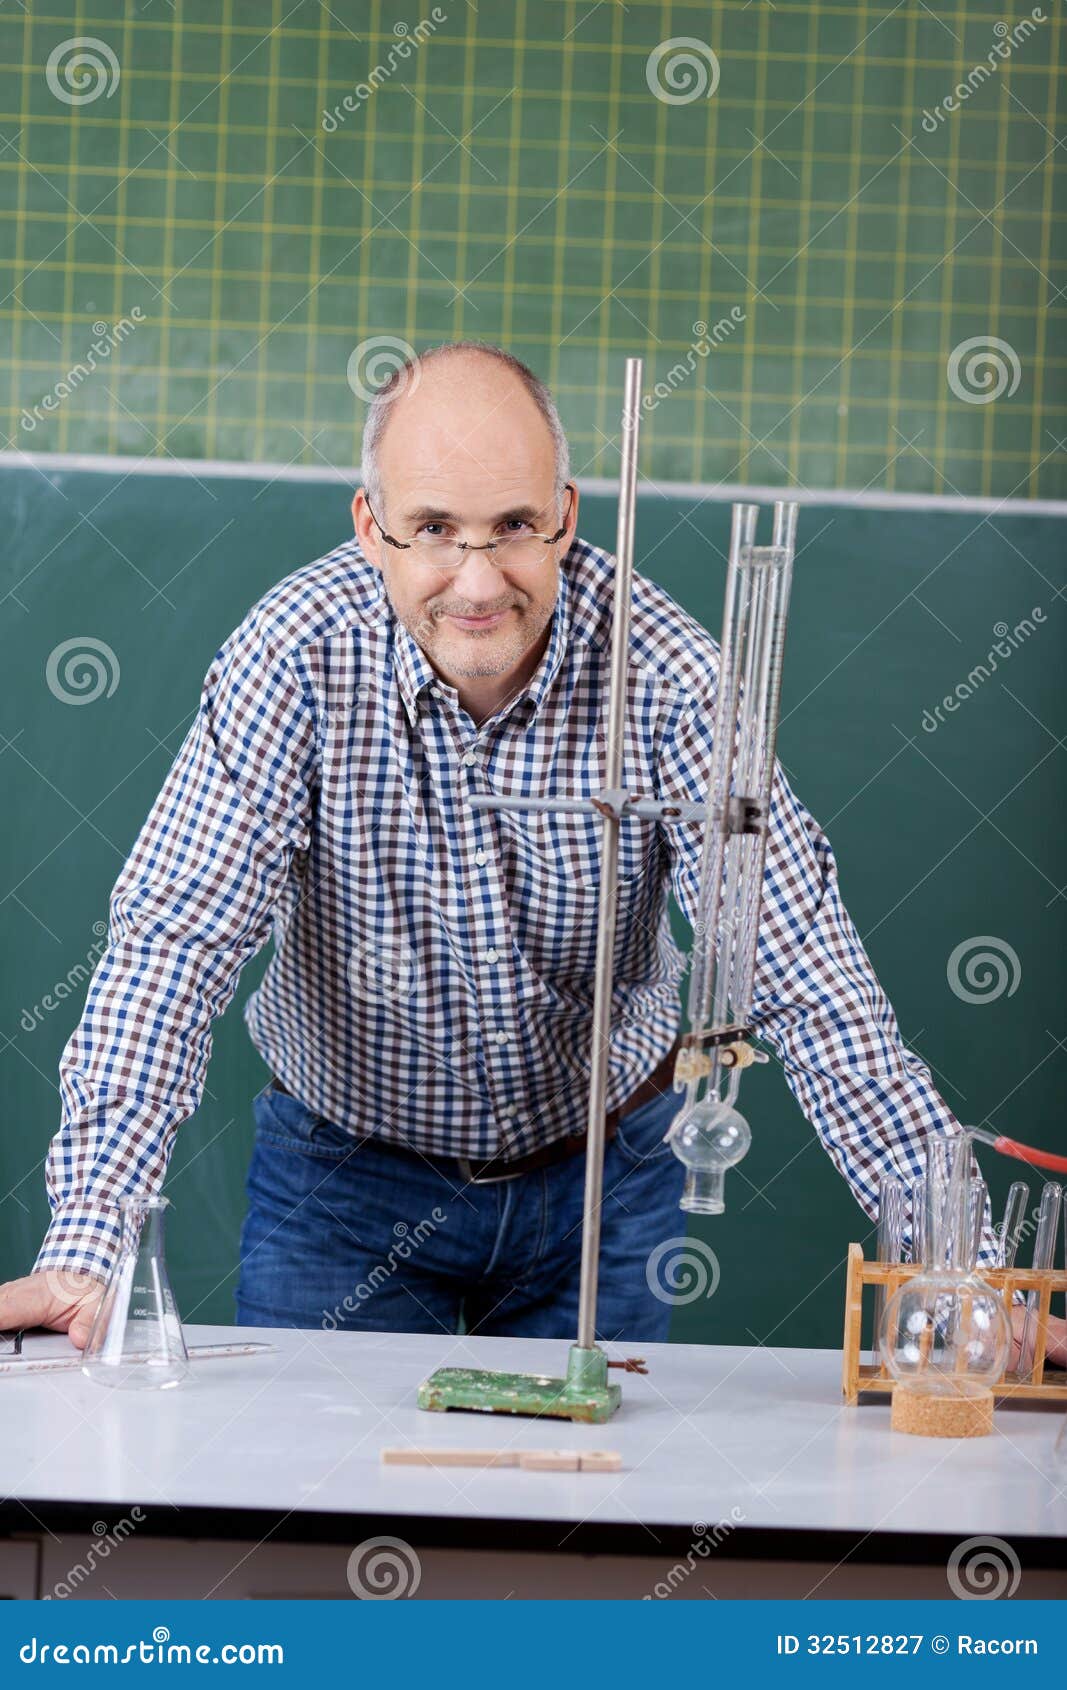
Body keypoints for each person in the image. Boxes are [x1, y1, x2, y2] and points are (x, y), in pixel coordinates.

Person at [1, 342, 1061, 1363]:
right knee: (301, 1515)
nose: (475, 580)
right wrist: (90, 1247)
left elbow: (805, 975)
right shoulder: (293, 656)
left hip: (602, 1176)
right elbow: (173, 945)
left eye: (512, 524)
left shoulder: (668, 674)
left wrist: (955, 1265)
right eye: (433, 528)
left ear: (565, 516)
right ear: (370, 527)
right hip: (343, 1179)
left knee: (580, 1529)